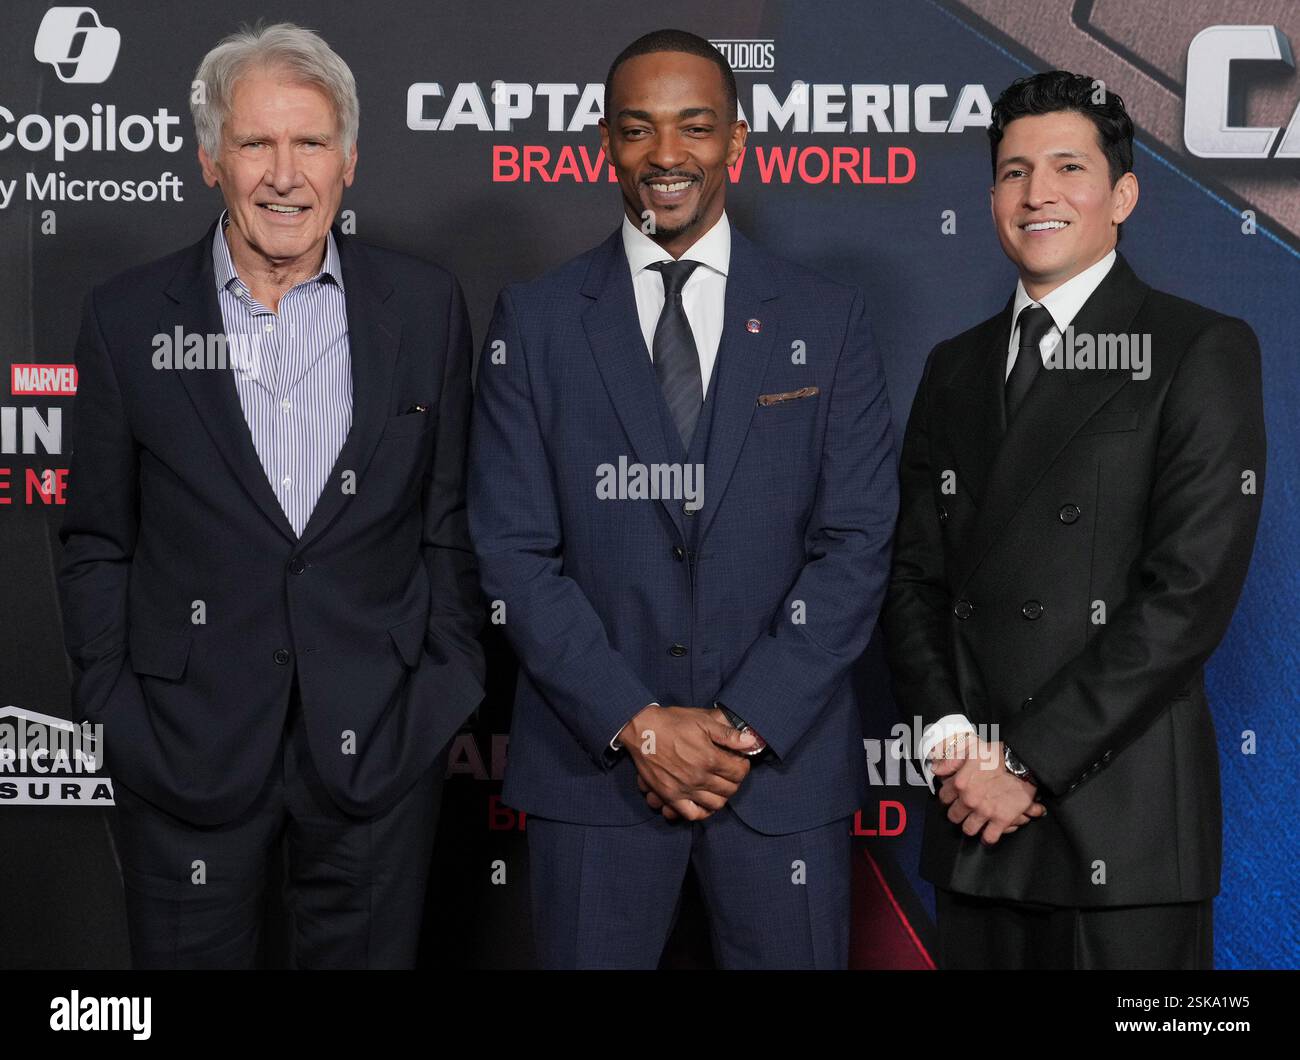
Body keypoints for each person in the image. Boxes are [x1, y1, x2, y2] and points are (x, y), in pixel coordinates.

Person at [57, 22, 484, 968]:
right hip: (184, 754)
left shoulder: (422, 309)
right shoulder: (129, 320)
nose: (283, 174)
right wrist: (117, 707)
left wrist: (441, 688)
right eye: (256, 143)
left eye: (311, 143)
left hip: (378, 750)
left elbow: (448, 525)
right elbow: (96, 540)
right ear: (211, 158)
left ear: (351, 160)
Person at [468, 28, 897, 969]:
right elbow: (511, 551)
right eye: (638, 130)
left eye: (695, 127)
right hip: (597, 776)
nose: (667, 155)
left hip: (780, 774)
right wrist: (638, 723)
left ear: (737, 143)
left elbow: (858, 539)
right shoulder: (535, 323)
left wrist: (741, 726)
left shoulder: (827, 321)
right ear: (605, 145)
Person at [884, 70, 1266, 969]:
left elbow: (1187, 598)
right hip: (974, 827)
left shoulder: (1198, 348)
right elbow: (912, 577)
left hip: (1123, 834)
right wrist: (954, 745)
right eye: (1014, 173)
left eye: (1067, 167)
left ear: (1122, 193)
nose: (1038, 194)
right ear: (990, 200)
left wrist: (1024, 765)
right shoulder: (954, 366)